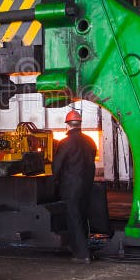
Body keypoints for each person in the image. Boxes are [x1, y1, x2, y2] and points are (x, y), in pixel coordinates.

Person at [52, 110, 97, 264]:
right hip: (86, 186)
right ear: (79, 124)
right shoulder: (90, 141)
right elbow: (91, 160)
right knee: (82, 217)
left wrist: (54, 182)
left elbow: (57, 166)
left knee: (74, 218)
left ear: (67, 125)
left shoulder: (65, 143)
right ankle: (77, 247)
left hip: (71, 187)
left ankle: (83, 254)